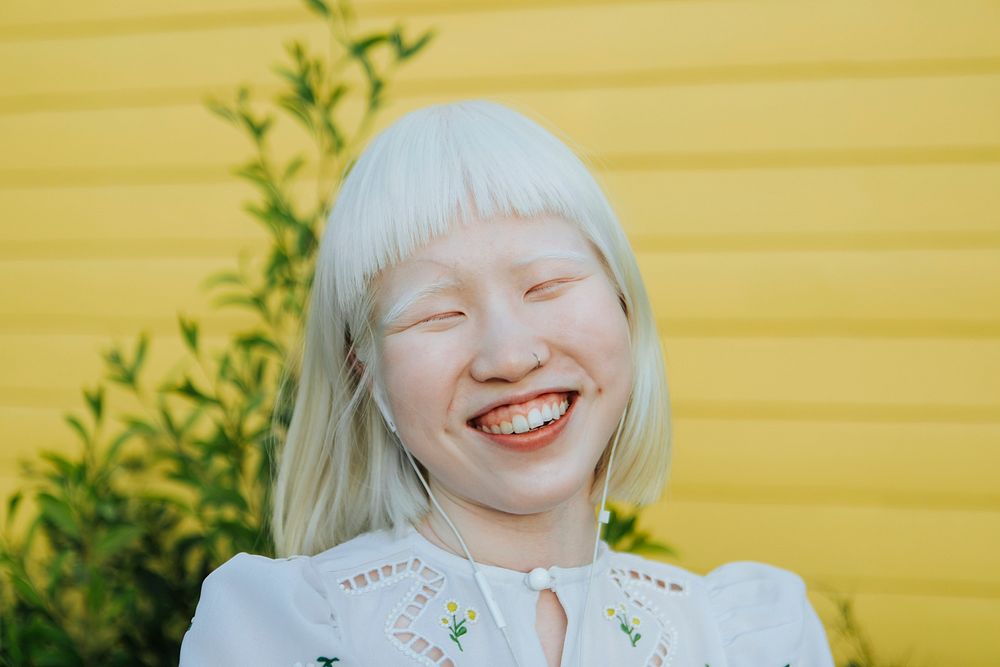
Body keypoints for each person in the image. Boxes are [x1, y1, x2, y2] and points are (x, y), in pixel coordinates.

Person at [179, 99, 835, 667]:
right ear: (367, 372)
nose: (510, 354)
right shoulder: (292, 634)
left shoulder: (746, 637)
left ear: (625, 305)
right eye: (440, 314)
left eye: (546, 285)